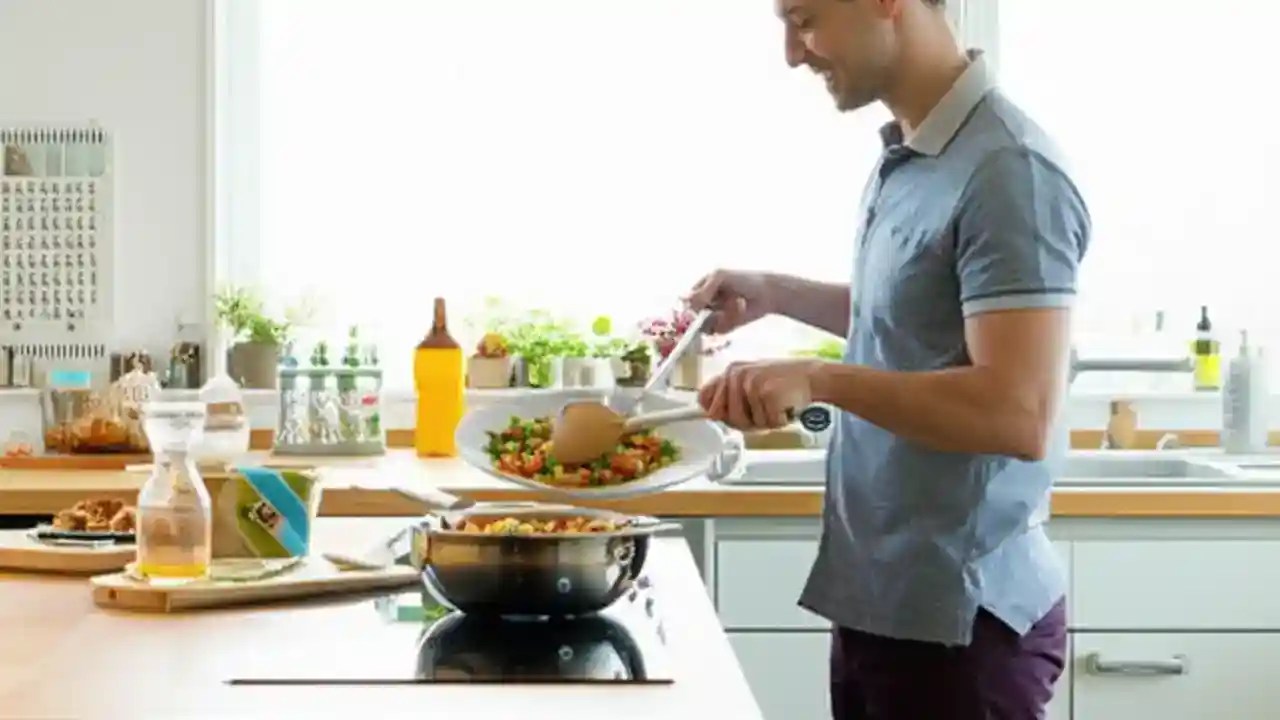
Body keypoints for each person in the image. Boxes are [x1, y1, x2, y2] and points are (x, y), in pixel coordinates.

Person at [685, 0, 1090, 718]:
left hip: (963, 630)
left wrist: (818, 378)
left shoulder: (1009, 172)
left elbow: (1017, 410)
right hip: (886, 606)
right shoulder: (917, 153)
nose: (792, 52)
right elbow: (914, 316)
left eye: (804, 19)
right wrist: (777, 294)